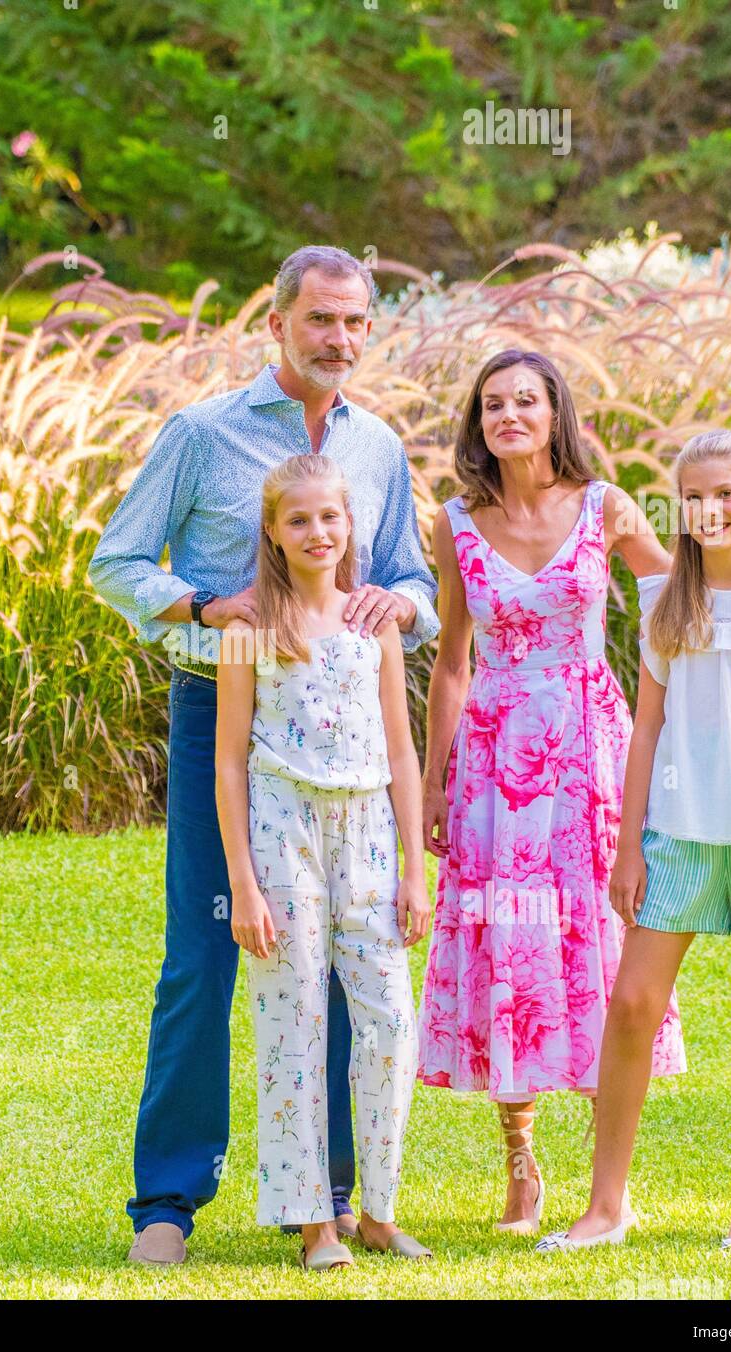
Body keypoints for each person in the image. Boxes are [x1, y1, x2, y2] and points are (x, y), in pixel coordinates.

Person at [86, 246, 439, 1264]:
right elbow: (115, 562)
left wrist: (399, 605)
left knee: (341, 964)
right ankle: (167, 1198)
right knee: (206, 952)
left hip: (347, 739)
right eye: (320, 319)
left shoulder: (376, 448)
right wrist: (204, 604)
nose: (338, 339)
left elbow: (410, 576)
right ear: (277, 322)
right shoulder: (203, 435)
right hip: (227, 721)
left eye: (355, 323)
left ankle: (328, 1196)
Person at [536, 429, 731, 1254]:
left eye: (725, 493)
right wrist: (630, 846)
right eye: (694, 497)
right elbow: (646, 732)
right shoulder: (663, 602)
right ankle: (606, 1206)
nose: (709, 509)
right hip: (679, 832)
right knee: (634, 1004)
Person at [417, 349, 687, 1236]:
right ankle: (521, 1165)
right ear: (479, 424)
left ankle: (610, 1190)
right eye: (492, 405)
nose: (507, 417)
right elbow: (451, 664)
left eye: (524, 401)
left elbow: (674, 594)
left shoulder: (607, 505)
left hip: (590, 749)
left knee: (603, 945)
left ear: (553, 411)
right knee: (513, 943)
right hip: (496, 761)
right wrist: (434, 783)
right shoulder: (455, 522)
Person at [214, 452, 431, 1270]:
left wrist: (415, 867)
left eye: (330, 517)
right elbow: (227, 760)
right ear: (272, 530)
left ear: (351, 527)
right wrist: (242, 881)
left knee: (387, 1017)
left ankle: (379, 1206)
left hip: (369, 825)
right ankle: (313, 1221)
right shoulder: (248, 632)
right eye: (298, 519)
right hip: (282, 830)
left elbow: (403, 753)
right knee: (292, 1019)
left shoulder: (375, 627)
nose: (317, 532)